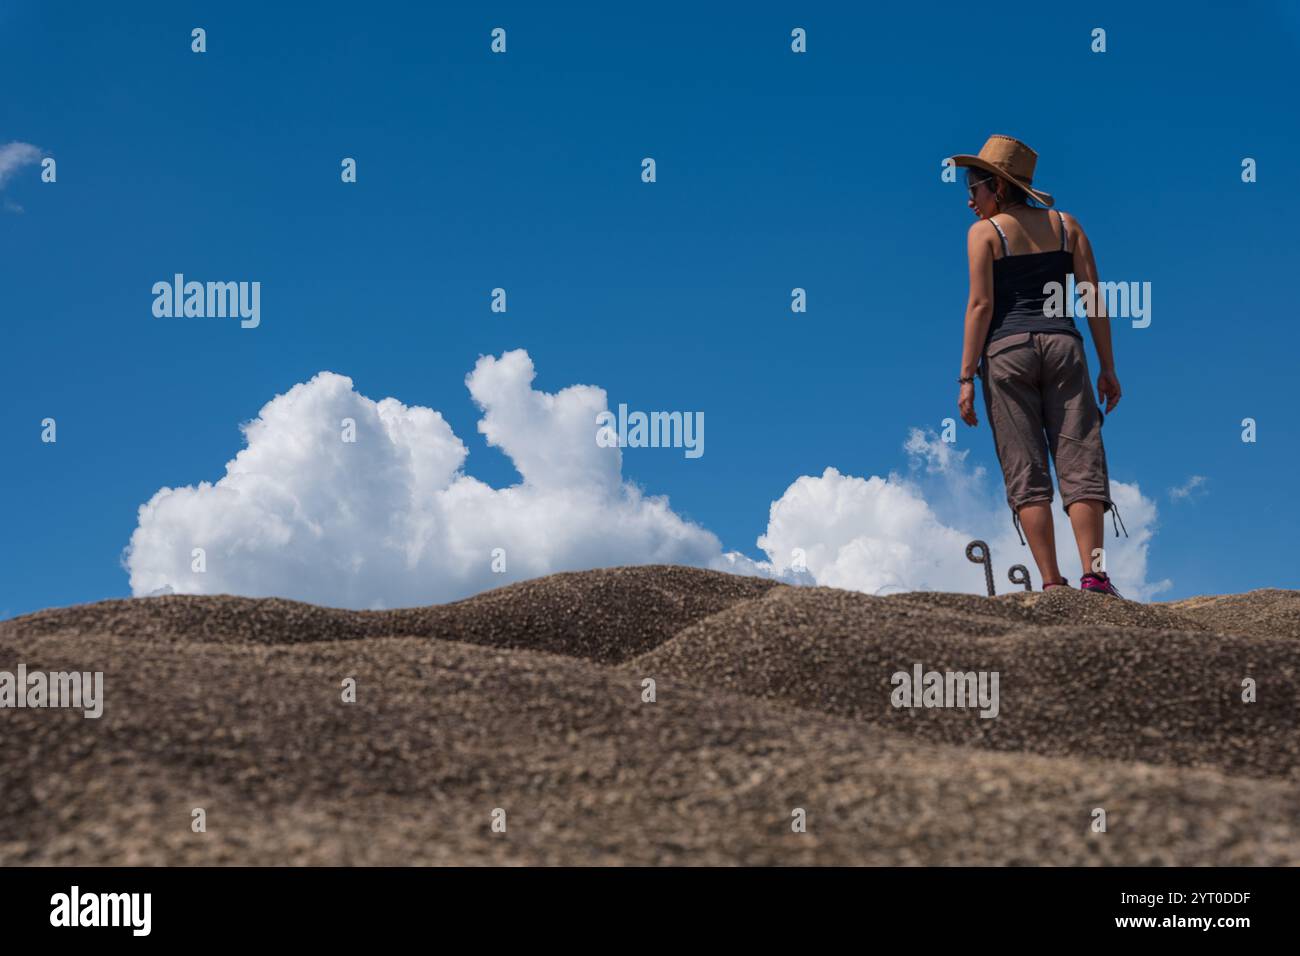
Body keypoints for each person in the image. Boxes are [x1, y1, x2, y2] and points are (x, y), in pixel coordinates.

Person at [951, 134, 1126, 595]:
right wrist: (1108, 366)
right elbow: (1092, 299)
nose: (970, 199)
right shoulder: (1068, 226)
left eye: (975, 187)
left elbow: (980, 306)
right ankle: (1095, 576)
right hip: (1065, 347)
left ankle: (1052, 584)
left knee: (1025, 465)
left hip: (1007, 354)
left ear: (999, 188)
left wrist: (966, 376)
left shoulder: (985, 234)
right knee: (1080, 458)